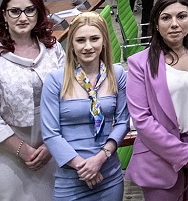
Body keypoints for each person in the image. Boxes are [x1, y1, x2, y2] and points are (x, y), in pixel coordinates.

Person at [0, 0, 66, 201]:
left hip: (52, 145)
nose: (23, 17)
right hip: (7, 154)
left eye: (30, 10)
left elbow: (68, 97)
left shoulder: (54, 50)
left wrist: (51, 146)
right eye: (15, 11)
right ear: (4, 15)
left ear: (38, 13)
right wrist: (23, 150)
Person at [126, 0, 188, 201]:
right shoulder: (139, 63)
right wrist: (183, 154)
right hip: (159, 154)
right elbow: (141, 119)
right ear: (156, 25)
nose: (175, 24)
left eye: (182, 16)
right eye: (166, 18)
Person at [41, 13, 130, 201]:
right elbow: (50, 133)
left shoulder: (118, 74)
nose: (88, 46)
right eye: (80, 40)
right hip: (71, 179)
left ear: (104, 40)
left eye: (94, 39)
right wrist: (84, 167)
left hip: (109, 176)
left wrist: (100, 159)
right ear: (71, 44)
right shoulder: (55, 80)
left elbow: (123, 122)